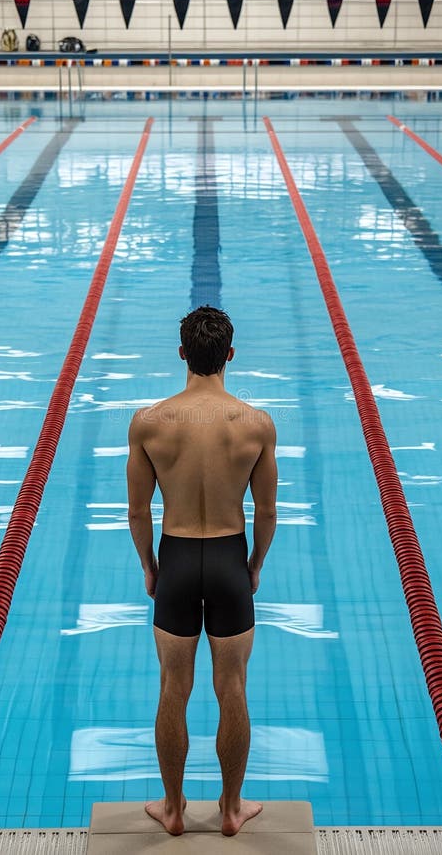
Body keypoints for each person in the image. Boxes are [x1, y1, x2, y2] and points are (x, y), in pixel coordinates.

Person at [127, 305, 277, 837]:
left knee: (173, 686)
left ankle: (173, 809)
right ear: (230, 355)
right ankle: (232, 810)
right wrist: (253, 565)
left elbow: (138, 511)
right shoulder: (256, 424)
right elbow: (268, 512)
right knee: (232, 686)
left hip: (179, 559)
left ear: (182, 354)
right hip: (231, 562)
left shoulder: (149, 421)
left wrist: (151, 567)